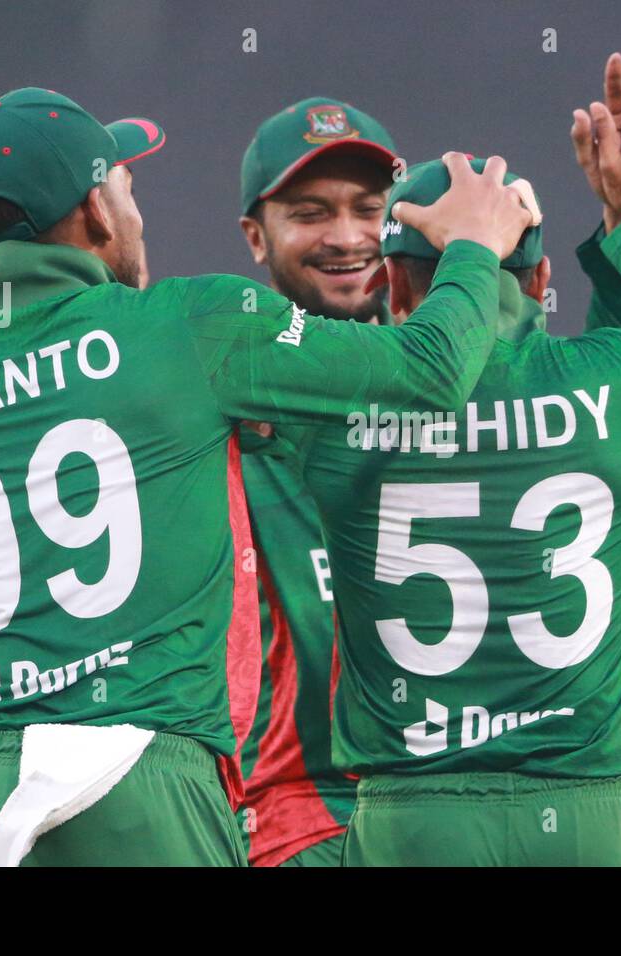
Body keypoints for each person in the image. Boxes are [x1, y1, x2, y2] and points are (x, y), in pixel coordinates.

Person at [0, 86, 531, 865]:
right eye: (128, 186)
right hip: (140, 772)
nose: (138, 212)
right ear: (98, 209)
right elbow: (434, 369)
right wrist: (476, 248)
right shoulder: (189, 328)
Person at [256, 45, 621, 865]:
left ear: (390, 283)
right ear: (546, 278)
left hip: (412, 825)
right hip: (591, 820)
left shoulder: (330, 407)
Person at [233, 97, 397, 867]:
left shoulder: (473, 391)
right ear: (256, 237)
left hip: (452, 810)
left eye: (370, 209)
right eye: (311, 212)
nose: (346, 237)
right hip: (300, 829)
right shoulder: (213, 402)